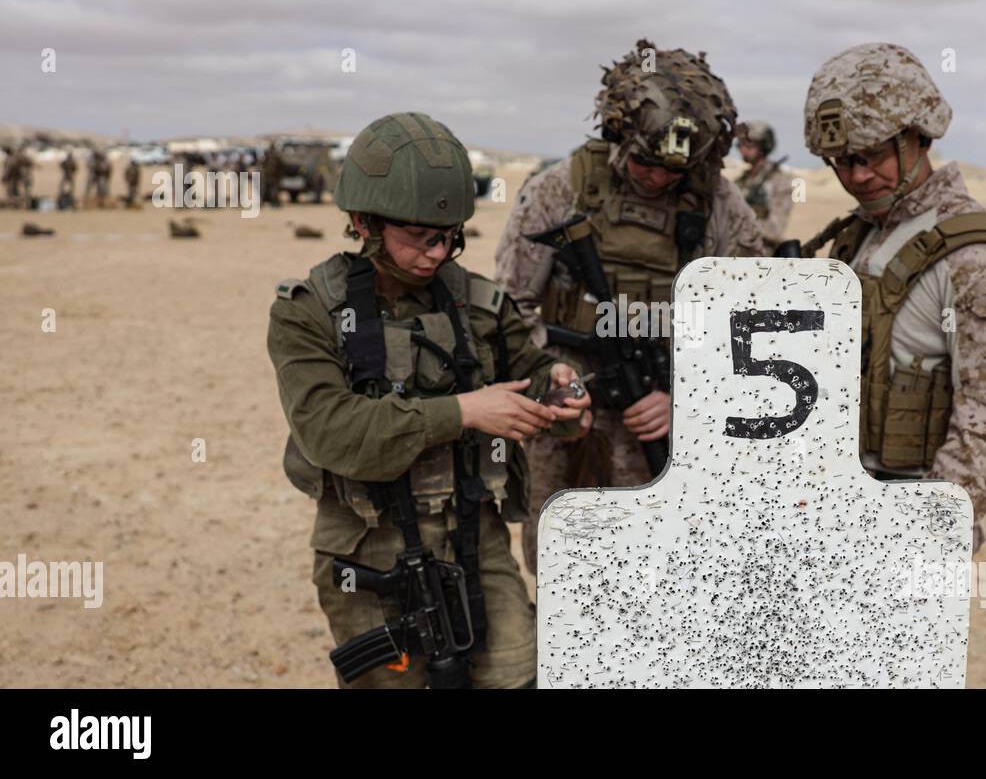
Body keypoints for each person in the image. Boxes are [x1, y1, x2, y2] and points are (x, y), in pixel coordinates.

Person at [267, 112, 590, 689]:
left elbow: (534, 374)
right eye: (421, 237)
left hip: (475, 538)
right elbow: (330, 430)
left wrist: (563, 394)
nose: (439, 254)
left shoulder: (481, 303)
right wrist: (464, 412)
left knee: (524, 675)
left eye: (450, 238)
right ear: (364, 222)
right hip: (369, 549)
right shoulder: (308, 309)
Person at [495, 39, 764, 573]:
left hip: (671, 431)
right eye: (645, 161)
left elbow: (751, 324)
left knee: (672, 578)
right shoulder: (562, 188)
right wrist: (555, 378)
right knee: (564, 575)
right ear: (618, 132)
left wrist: (686, 397)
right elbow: (509, 307)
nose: (657, 178)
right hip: (572, 428)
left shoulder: (720, 204)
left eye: (674, 170)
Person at [800, 43, 986, 552]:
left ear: (919, 137)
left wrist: (925, 527)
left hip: (909, 515)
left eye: (872, 155)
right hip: (831, 505)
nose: (856, 176)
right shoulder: (857, 237)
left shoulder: (976, 256)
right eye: (840, 161)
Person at [733, 120, 794, 252]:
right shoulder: (740, 182)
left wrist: (739, 224)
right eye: (741, 145)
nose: (743, 150)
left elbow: (775, 230)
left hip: (762, 257)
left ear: (763, 147)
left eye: (749, 145)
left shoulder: (779, 181)